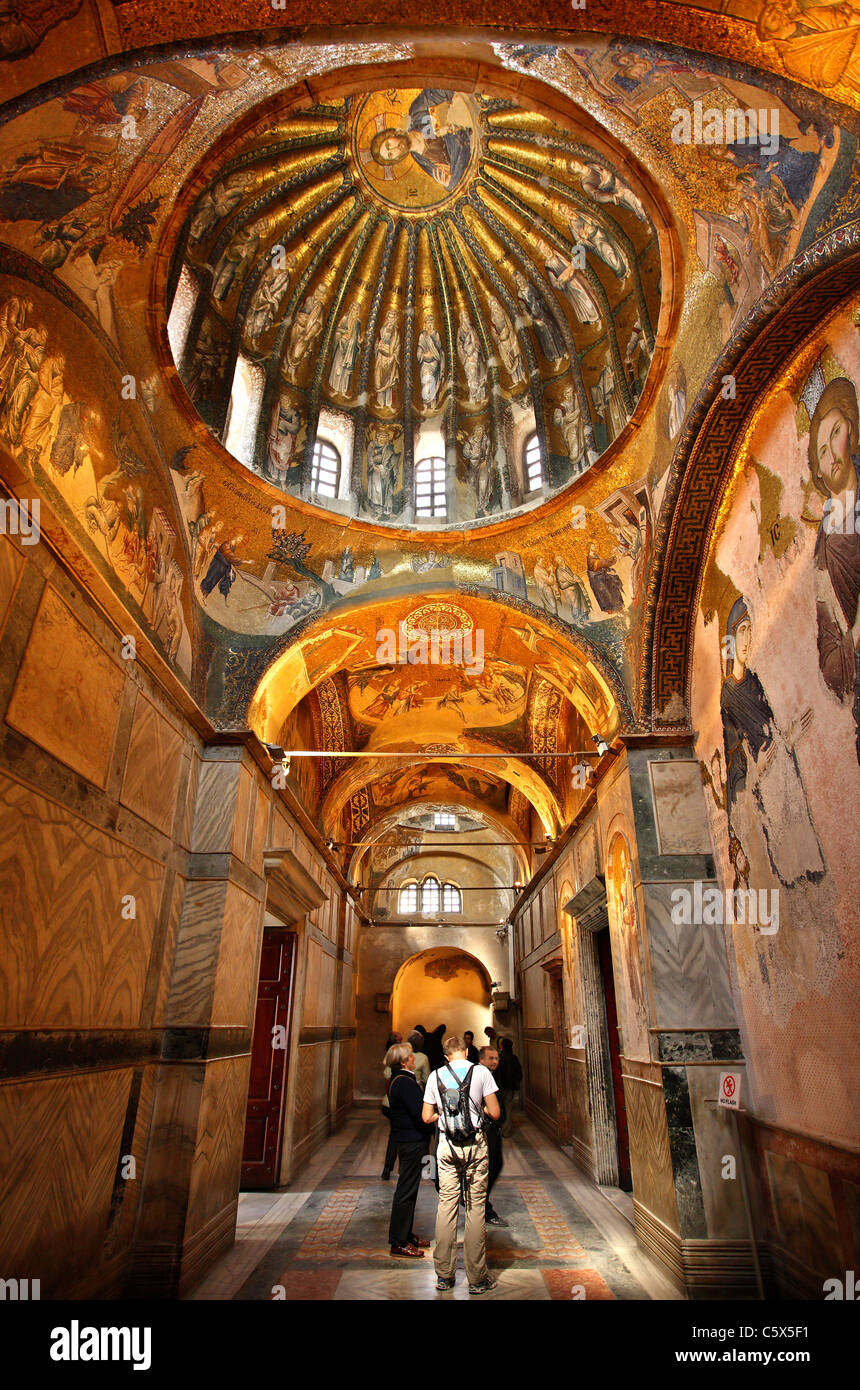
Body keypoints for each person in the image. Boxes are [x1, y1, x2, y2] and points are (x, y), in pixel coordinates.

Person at [422, 1035, 500, 1294]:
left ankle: (444, 1276)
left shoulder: (435, 1076)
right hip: (475, 1144)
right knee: (476, 1208)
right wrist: (482, 1111)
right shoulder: (481, 1073)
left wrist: (440, 1116)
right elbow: (496, 1112)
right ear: (466, 1052)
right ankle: (477, 1278)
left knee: (447, 1205)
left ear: (446, 1056)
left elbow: (426, 1116)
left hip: (446, 1145)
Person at [385, 1043, 433, 1258]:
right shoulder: (405, 1082)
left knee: (409, 1189)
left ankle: (406, 1234)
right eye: (411, 1057)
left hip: (408, 1139)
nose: (415, 1059)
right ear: (403, 1061)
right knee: (406, 1190)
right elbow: (419, 1112)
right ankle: (399, 1241)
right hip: (411, 1141)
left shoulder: (400, 1079)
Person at [479, 1045, 507, 1227]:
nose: (495, 1061)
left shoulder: (493, 1074)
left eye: (497, 1058)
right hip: (486, 1128)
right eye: (491, 1058)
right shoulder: (481, 1075)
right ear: (481, 1059)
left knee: (495, 1165)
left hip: (493, 1128)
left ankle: (482, 1204)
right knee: (491, 1166)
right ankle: (483, 1206)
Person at [380, 1032, 403, 1180]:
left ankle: (388, 1167)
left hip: (388, 1103)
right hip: (399, 1105)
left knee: (394, 1135)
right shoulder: (408, 1068)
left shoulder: (392, 1070)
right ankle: (404, 1168)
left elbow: (386, 1074)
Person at [497, 1037, 522, 1138]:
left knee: (500, 1107)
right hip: (510, 1087)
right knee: (508, 1108)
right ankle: (506, 1130)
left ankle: (500, 1128)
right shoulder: (513, 1058)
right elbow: (519, 1073)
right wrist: (516, 1083)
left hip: (500, 1087)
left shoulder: (499, 1058)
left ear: (502, 1046)